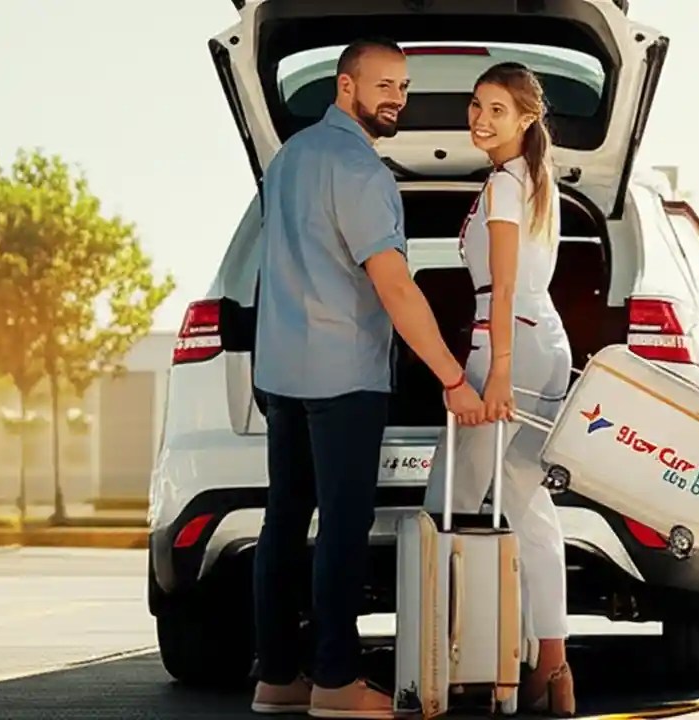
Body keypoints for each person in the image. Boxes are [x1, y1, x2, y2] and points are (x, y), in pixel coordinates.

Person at [249, 38, 486, 719]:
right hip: (342, 376)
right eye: (384, 85)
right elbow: (394, 286)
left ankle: (277, 678)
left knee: (284, 522)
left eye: (404, 88)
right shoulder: (359, 169)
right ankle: (335, 682)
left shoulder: (288, 158)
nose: (397, 100)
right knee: (344, 529)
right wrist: (451, 376)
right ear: (345, 86)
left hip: (281, 375)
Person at [422, 62, 576, 716]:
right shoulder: (536, 179)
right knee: (526, 503)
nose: (480, 119)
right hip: (545, 341)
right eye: (475, 106)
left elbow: (505, 287)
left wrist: (501, 373)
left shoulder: (505, 186)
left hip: (507, 343)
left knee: (445, 497)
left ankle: (442, 661)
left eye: (496, 109)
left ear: (526, 118)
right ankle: (551, 666)